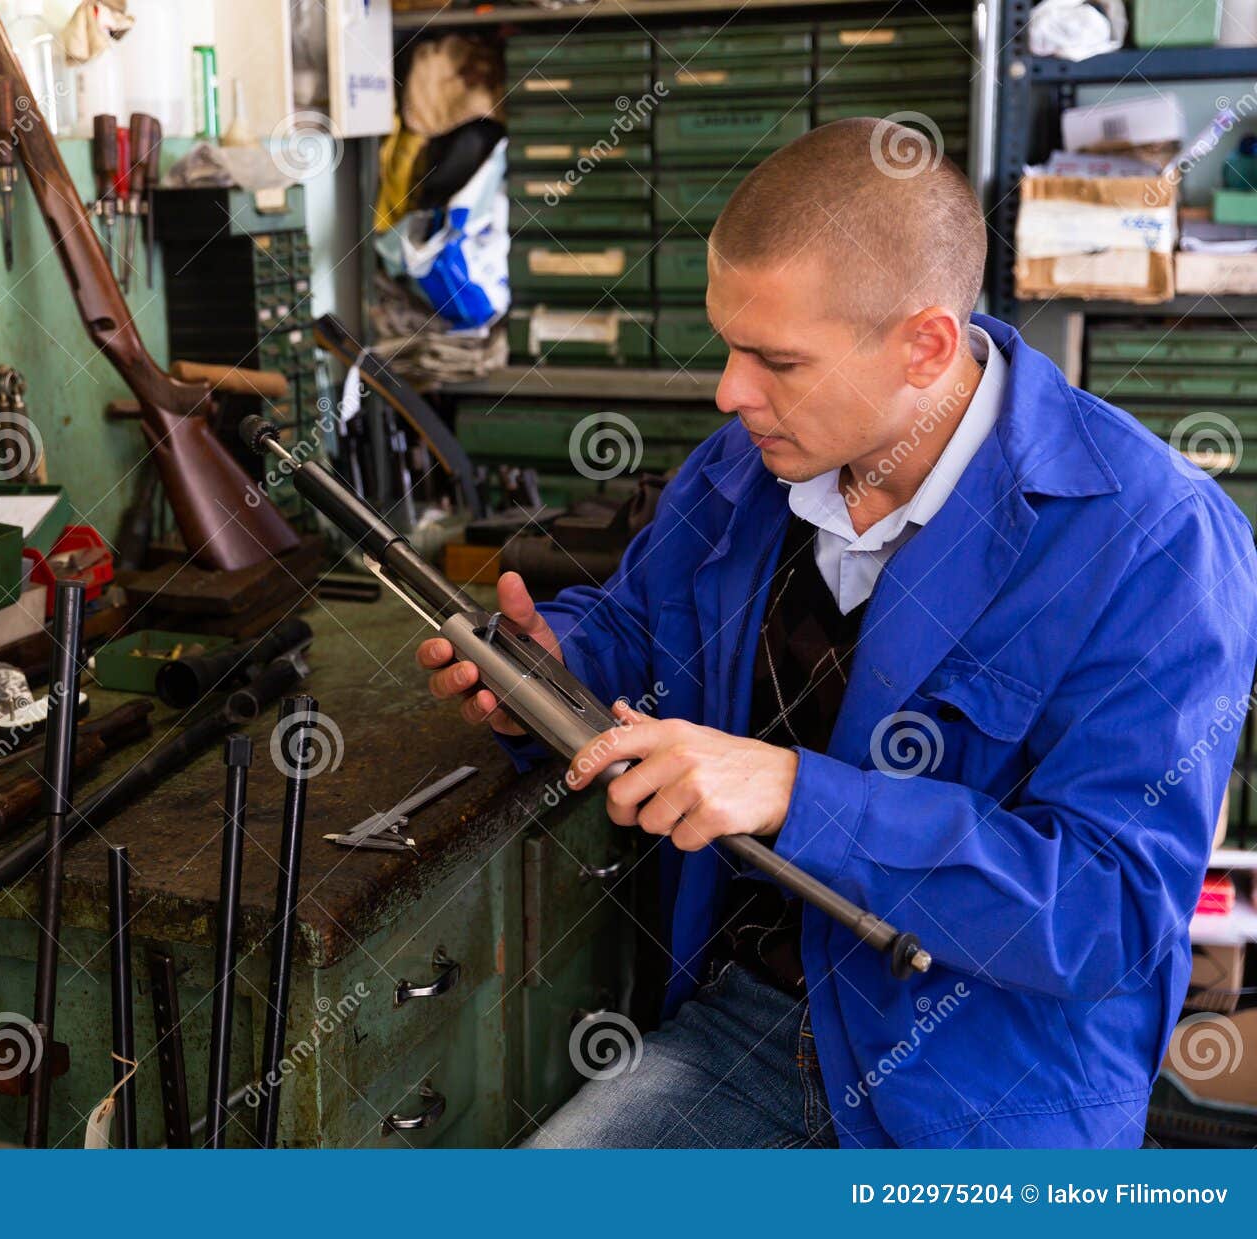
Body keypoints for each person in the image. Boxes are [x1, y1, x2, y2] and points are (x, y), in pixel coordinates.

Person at [417, 118, 1257, 1148]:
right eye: (729, 346)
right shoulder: (746, 467)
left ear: (925, 345)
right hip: (753, 1026)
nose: (730, 393)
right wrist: (552, 664)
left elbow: (1110, 913)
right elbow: (639, 632)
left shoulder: (1151, 541)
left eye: (775, 359)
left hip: (986, 1092)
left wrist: (793, 792)